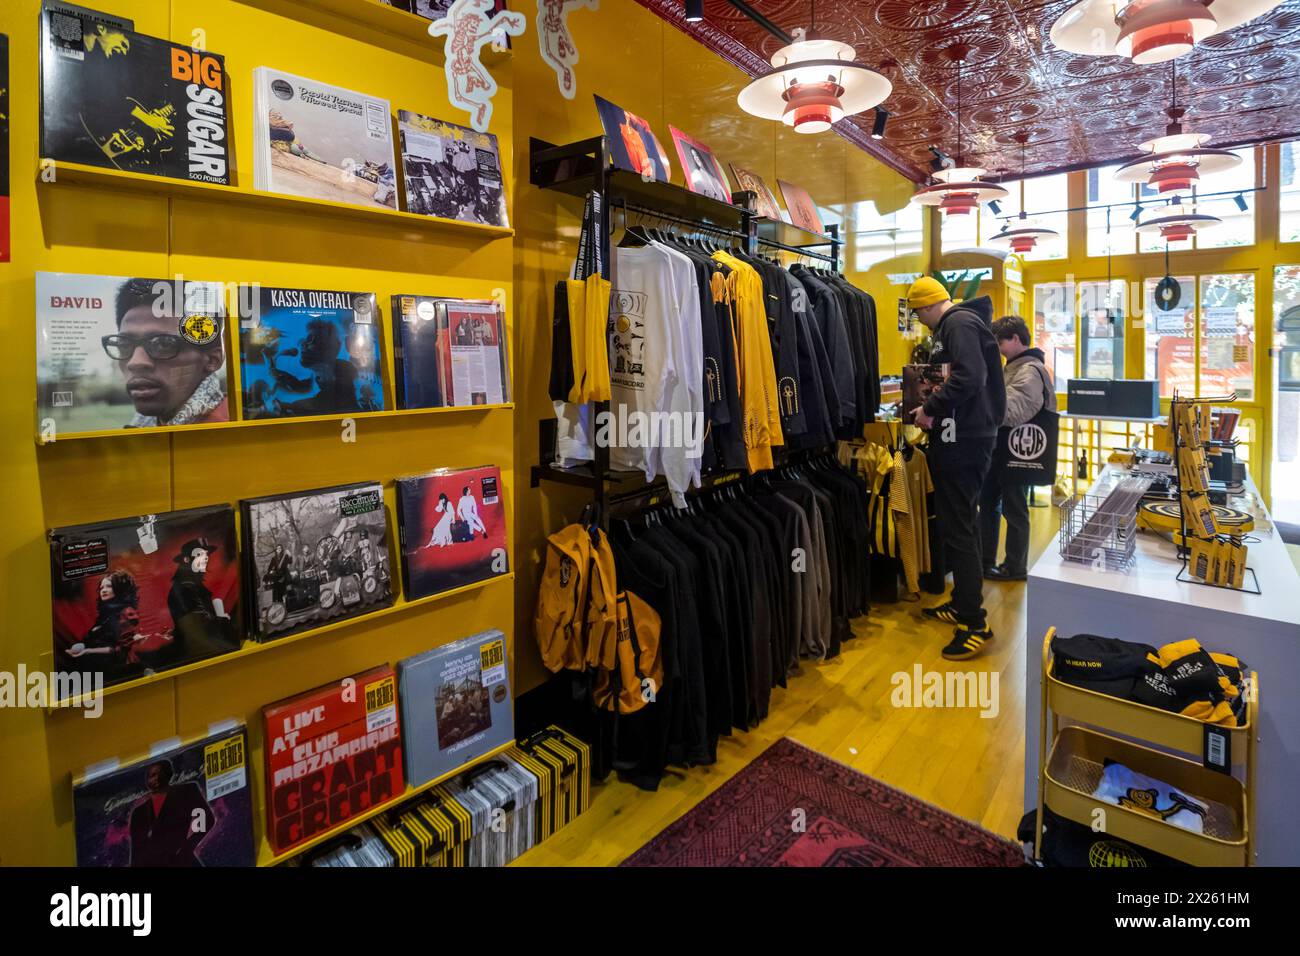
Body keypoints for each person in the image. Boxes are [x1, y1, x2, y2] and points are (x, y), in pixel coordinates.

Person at [905, 277, 1006, 661]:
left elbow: (969, 377)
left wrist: (929, 409)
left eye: (918, 313)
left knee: (959, 526)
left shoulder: (957, 325)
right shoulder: (963, 323)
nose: (920, 321)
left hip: (964, 440)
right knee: (958, 523)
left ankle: (973, 623)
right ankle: (965, 603)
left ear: (929, 306)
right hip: (966, 436)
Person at [981, 316, 1057, 582]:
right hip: (1005, 451)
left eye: (1000, 341)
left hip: (1017, 452)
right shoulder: (1015, 367)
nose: (997, 348)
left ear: (1015, 339)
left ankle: (1015, 567)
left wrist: (979, 404)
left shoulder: (1028, 371)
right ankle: (986, 561)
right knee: (990, 502)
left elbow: (1010, 412)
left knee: (1014, 509)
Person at [103, 279, 228, 427]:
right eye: (124, 344)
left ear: (212, 360)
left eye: (163, 344)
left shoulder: (230, 433)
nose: (135, 362)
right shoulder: (142, 427)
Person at [128, 758, 214, 867]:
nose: (155, 778)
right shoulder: (139, 812)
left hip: (183, 860)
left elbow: (207, 819)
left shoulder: (187, 791)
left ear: (168, 774)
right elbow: (136, 851)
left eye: (159, 773)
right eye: (151, 775)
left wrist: (186, 848)